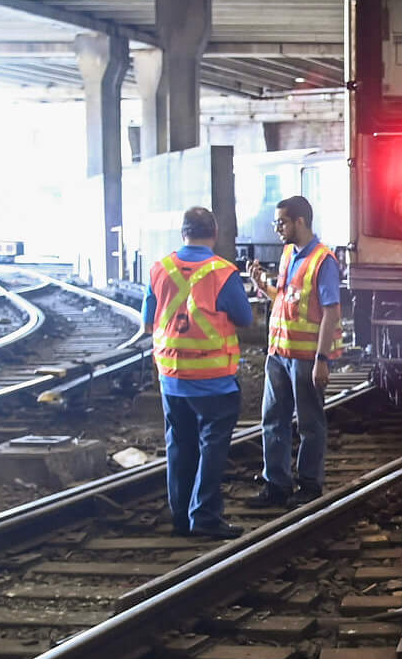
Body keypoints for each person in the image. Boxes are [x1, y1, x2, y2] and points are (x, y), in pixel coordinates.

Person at [141, 206, 253, 539]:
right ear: (214, 234)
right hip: (214, 381)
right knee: (212, 449)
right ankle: (204, 515)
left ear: (183, 233)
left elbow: (148, 322)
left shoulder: (159, 269)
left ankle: (181, 517)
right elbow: (245, 318)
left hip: (172, 378)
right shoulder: (223, 272)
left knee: (179, 446)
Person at [246, 195, 340, 506]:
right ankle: (277, 485)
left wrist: (322, 359)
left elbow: (331, 312)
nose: (277, 228)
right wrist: (262, 286)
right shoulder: (289, 254)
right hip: (279, 354)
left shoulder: (323, 261)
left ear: (300, 221)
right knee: (273, 420)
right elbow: (285, 300)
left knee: (310, 424)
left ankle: (310, 486)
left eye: (281, 222)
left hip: (306, 358)